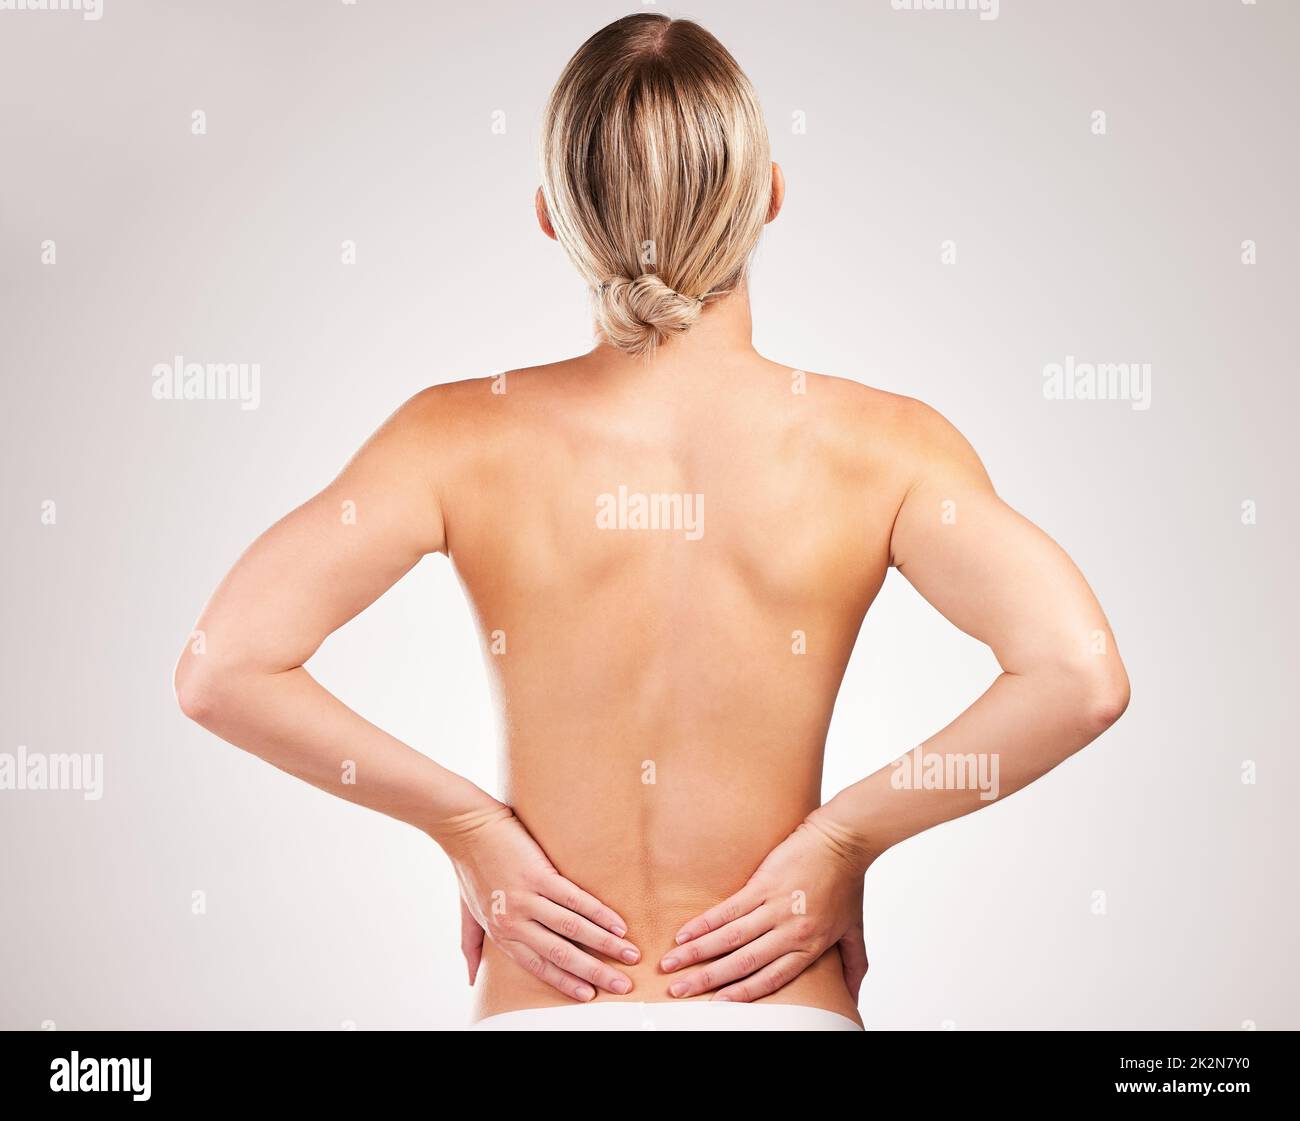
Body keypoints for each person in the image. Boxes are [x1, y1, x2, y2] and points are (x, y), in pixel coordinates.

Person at [174, 12, 1129, 1032]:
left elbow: (221, 667)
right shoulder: (884, 445)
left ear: (552, 214)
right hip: (779, 1005)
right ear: (768, 193)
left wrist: (466, 826)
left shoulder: (455, 435)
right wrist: (844, 839)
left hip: (541, 1006)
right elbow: (1079, 676)